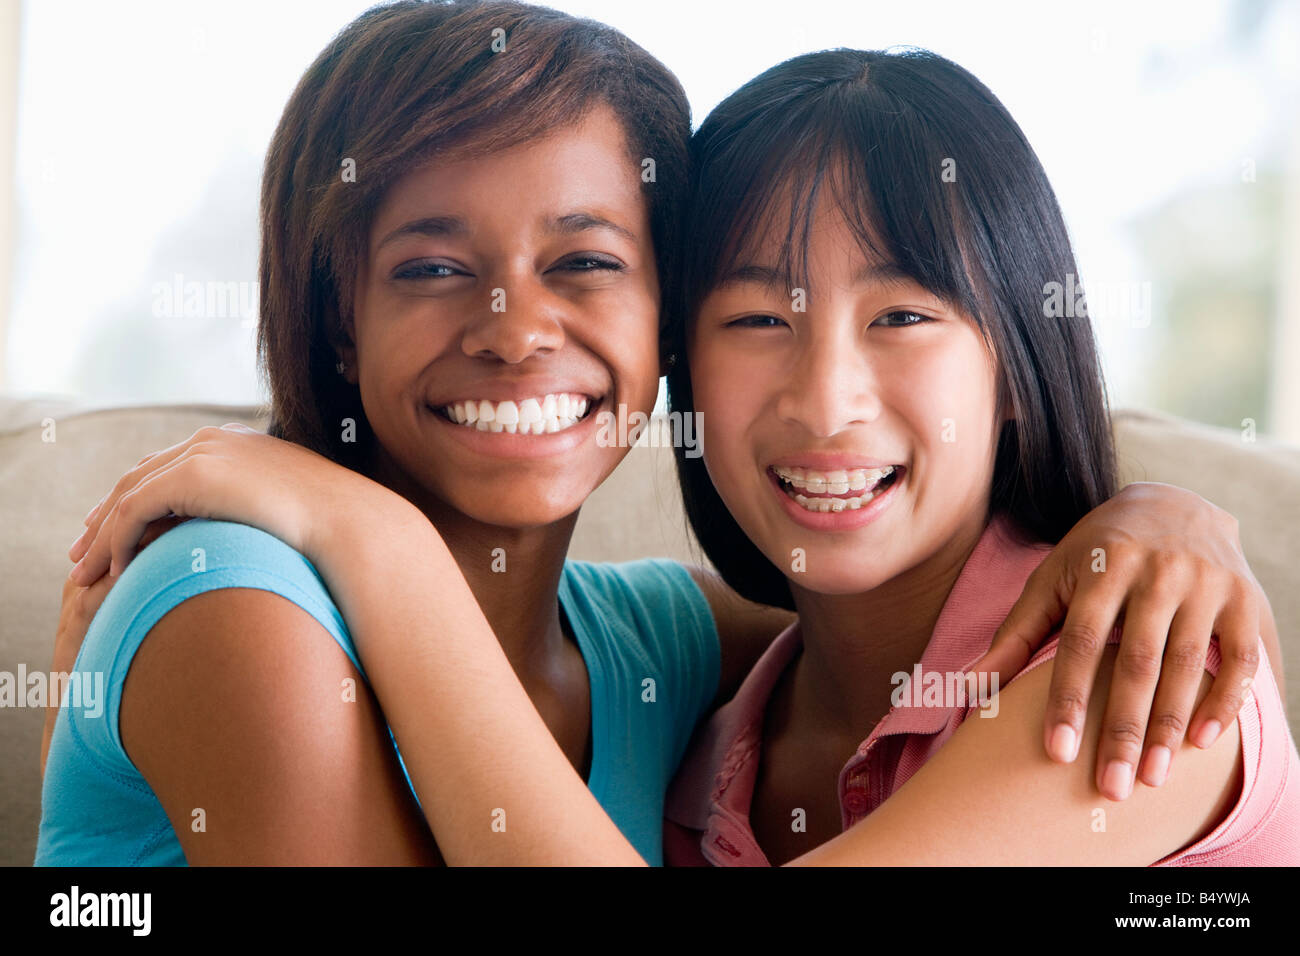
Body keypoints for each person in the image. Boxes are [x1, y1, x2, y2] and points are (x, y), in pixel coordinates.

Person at [40, 6, 1281, 866]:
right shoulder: (247, 609)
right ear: (332, 322)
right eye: (428, 264)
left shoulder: (1139, 674)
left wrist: (1153, 512)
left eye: (583, 259)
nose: (518, 328)